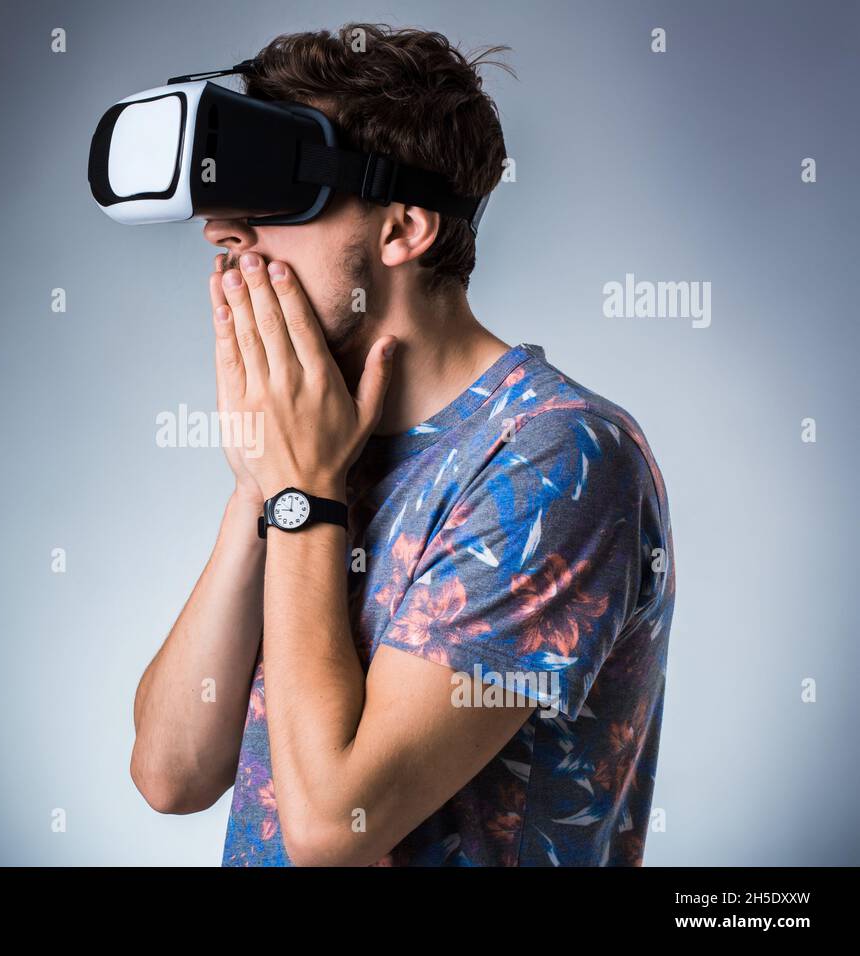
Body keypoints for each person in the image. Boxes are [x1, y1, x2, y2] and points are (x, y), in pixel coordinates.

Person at [130, 23, 675, 866]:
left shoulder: (556, 455)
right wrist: (261, 488)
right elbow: (173, 773)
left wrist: (305, 495)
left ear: (402, 229)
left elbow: (330, 829)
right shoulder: (314, 450)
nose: (224, 233)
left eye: (274, 197)